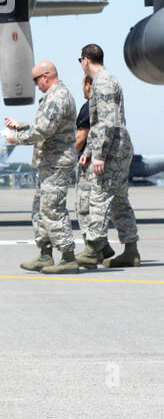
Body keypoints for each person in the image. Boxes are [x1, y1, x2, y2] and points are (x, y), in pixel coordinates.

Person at [4, 61, 79, 273]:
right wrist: (22, 126)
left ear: (46, 76)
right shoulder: (52, 97)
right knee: (40, 209)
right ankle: (45, 254)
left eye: (36, 80)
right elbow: (43, 126)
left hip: (56, 163)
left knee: (53, 209)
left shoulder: (58, 97)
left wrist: (16, 138)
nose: (36, 85)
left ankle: (68, 257)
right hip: (48, 163)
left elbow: (43, 131)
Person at [77, 44, 140, 267]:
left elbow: (106, 122)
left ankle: (94, 249)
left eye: (80, 61)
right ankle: (131, 250)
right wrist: (88, 152)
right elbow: (98, 125)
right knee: (119, 201)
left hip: (112, 151)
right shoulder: (106, 81)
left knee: (99, 197)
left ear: (85, 60)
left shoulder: (102, 83)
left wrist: (100, 155)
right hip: (116, 148)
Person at [73, 76, 114, 261]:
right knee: (95, 207)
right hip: (100, 161)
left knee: (85, 208)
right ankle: (103, 248)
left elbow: (80, 138)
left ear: (88, 85)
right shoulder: (106, 108)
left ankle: (93, 251)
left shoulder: (88, 107)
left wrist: (64, 157)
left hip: (87, 163)